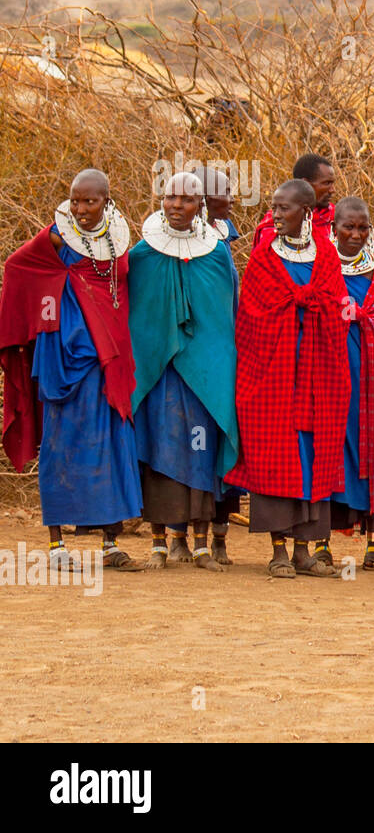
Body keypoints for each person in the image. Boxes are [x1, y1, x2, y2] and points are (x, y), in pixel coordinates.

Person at [0, 169, 143, 570]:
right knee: (59, 445)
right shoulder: (56, 238)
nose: (81, 209)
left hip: (106, 358)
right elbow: (17, 268)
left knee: (109, 443)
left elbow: (122, 295)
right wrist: (44, 314)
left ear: (106, 202)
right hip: (61, 360)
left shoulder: (118, 242)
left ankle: (110, 543)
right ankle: (56, 544)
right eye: (75, 201)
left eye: (90, 202)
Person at [225, 179, 349, 578]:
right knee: (276, 454)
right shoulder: (263, 257)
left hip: (318, 379)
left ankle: (303, 551)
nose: (276, 215)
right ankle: (277, 549)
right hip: (272, 378)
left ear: (307, 213)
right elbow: (251, 320)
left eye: (285, 208)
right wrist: (291, 317)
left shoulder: (327, 257)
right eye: (274, 207)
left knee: (312, 457)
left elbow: (335, 310)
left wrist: (310, 315)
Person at [130, 172, 239, 572]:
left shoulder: (215, 253)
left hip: (205, 373)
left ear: (201, 206)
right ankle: (160, 542)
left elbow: (225, 314)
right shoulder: (141, 254)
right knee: (160, 445)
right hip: (159, 374)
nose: (177, 205)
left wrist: (214, 359)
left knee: (199, 449)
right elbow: (137, 317)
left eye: (187, 199)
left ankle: (199, 543)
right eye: (170, 197)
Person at [312, 196, 374, 570]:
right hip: (329, 378)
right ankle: (319, 542)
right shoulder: (318, 266)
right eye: (349, 226)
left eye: (363, 228)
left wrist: (362, 319)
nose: (356, 234)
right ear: (334, 228)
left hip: (373, 378)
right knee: (326, 452)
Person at [167, 164, 243, 565]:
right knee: (178, 446)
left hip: (217, 361)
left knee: (211, 444)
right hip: (177, 367)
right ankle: (175, 536)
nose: (232, 198)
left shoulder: (219, 245)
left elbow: (227, 304)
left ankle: (217, 538)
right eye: (224, 191)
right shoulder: (159, 246)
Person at [251, 154, 336, 249]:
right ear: (306, 184)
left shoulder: (336, 217)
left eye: (332, 183)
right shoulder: (275, 223)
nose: (333, 190)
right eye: (327, 183)